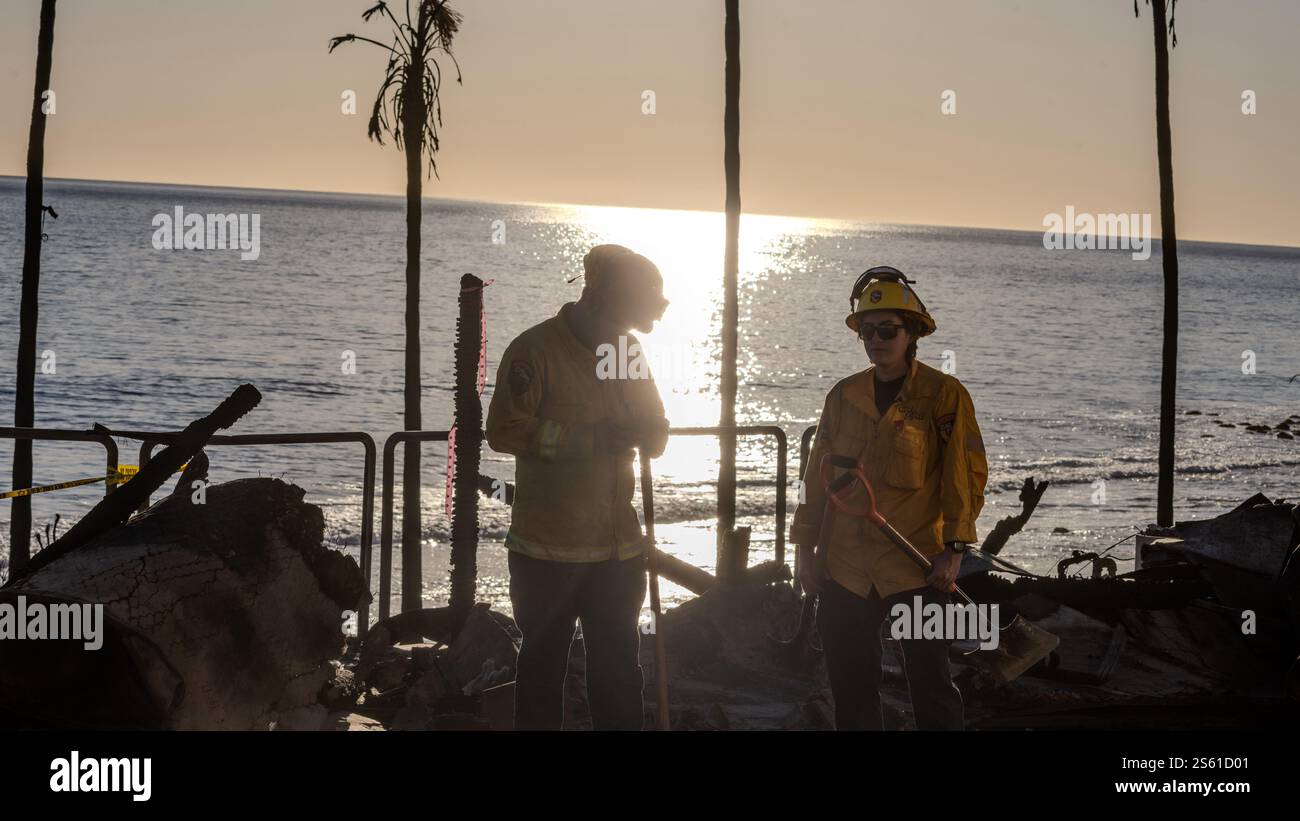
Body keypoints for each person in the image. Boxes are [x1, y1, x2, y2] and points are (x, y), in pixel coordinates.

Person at [789, 266, 989, 730]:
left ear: (912, 333)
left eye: (887, 330)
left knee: (932, 686)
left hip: (916, 568)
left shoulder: (943, 396)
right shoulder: (842, 396)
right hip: (845, 569)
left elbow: (965, 475)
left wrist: (954, 550)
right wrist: (804, 551)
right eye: (866, 330)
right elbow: (814, 478)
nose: (876, 339)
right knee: (851, 689)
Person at [486, 244, 670, 730]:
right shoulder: (534, 351)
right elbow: (504, 429)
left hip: (617, 551)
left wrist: (655, 432)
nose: (627, 331)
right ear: (597, 297)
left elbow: (653, 418)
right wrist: (589, 439)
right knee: (543, 675)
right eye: (626, 316)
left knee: (618, 677)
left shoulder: (627, 350)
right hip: (547, 553)